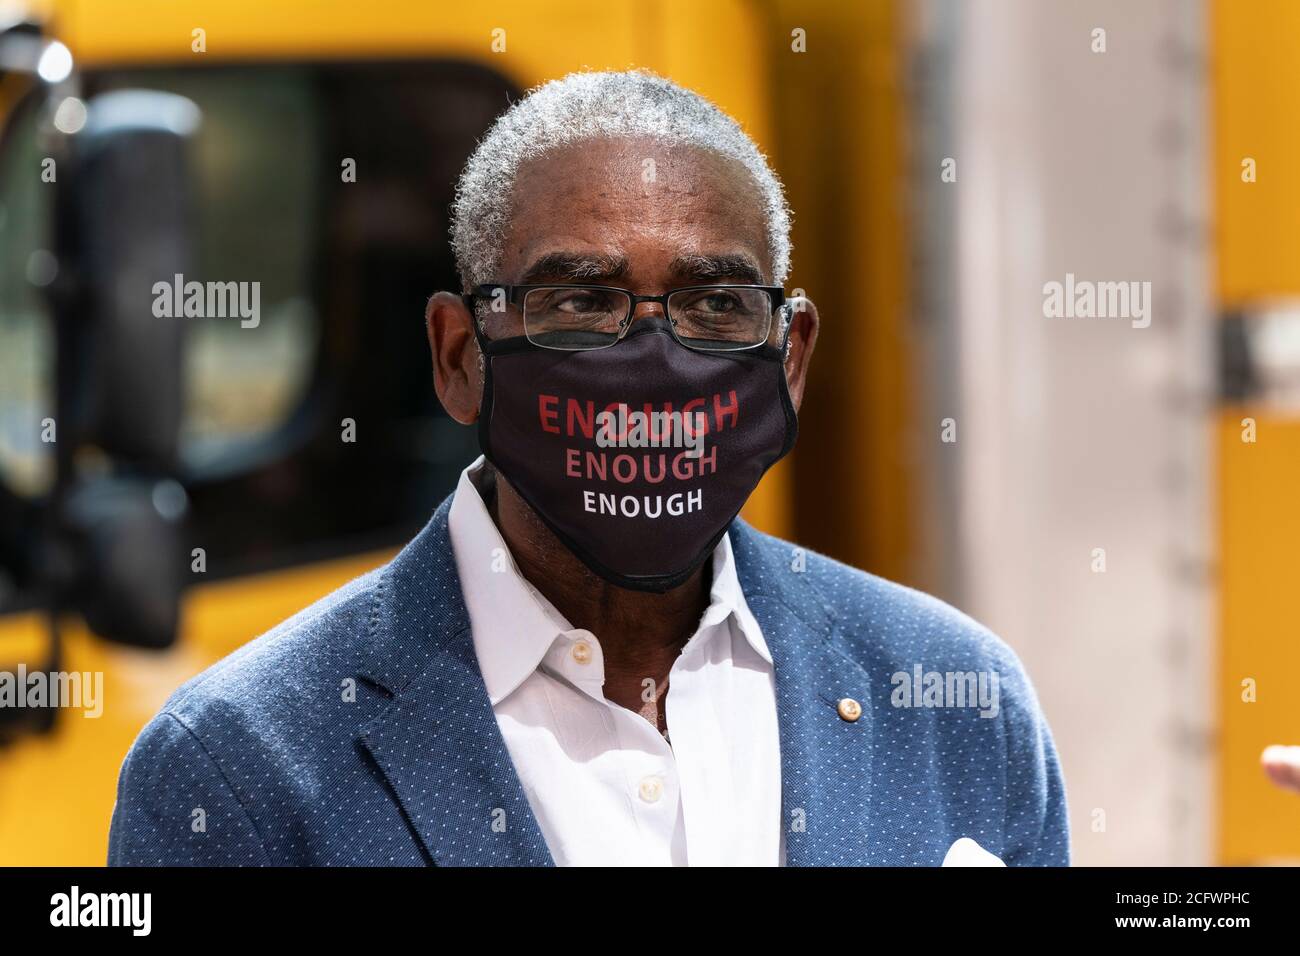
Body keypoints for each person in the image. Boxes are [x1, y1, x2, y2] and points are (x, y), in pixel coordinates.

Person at [108, 69, 1069, 866]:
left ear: (793, 356)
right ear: (457, 356)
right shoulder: (238, 770)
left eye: (715, 304)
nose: (652, 363)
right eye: (578, 303)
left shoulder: (957, 697)